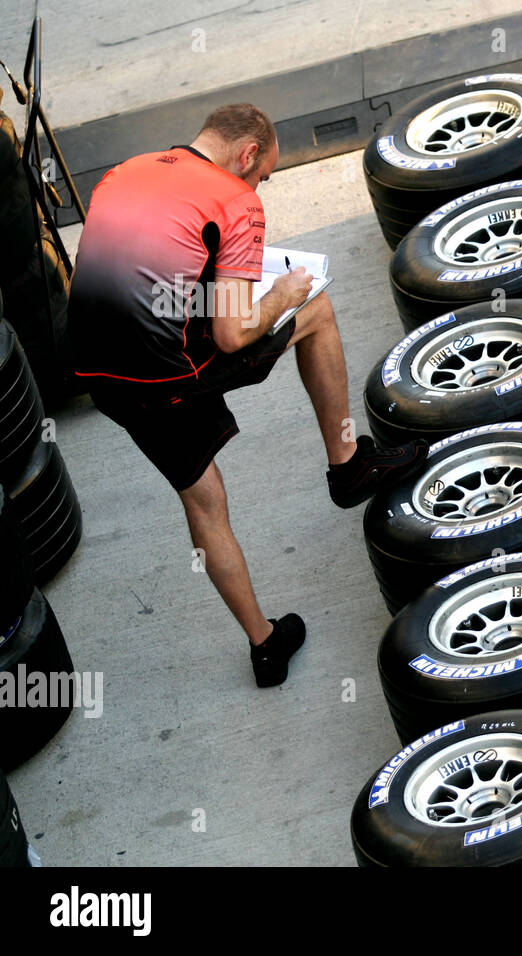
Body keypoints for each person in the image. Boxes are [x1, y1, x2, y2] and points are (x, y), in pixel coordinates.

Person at [68, 103, 428, 687]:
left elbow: (144, 275)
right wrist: (283, 293)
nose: (261, 186)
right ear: (248, 154)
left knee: (203, 501)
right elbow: (233, 332)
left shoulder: (122, 173)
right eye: (263, 175)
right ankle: (348, 465)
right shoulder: (234, 200)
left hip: (98, 371)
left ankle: (265, 646)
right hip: (170, 370)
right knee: (315, 308)